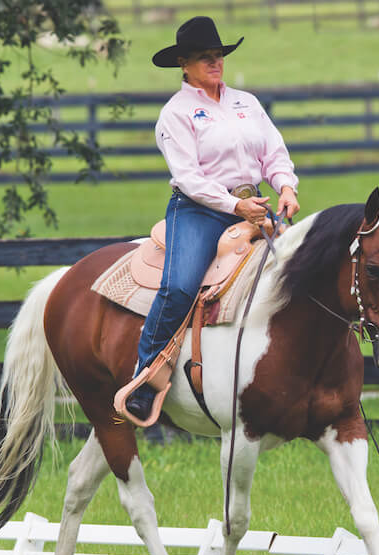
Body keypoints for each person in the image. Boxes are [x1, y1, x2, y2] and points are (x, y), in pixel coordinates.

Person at [126, 15, 301, 421]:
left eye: (219, 54)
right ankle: (144, 377)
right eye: (205, 57)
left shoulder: (246, 103)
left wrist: (286, 186)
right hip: (199, 210)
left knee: (302, 267)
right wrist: (234, 205)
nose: (215, 62)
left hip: (255, 205)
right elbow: (188, 177)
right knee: (181, 285)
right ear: (183, 65)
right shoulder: (176, 113)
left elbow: (273, 152)